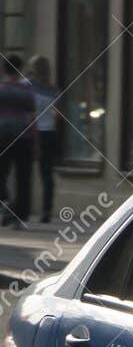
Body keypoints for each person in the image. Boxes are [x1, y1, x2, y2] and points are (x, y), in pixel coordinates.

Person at [0, 54, 35, 229]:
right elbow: (32, 115)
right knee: (23, 178)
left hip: (3, 136)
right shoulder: (26, 90)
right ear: (20, 70)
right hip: (24, 137)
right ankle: (21, 216)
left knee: (2, 173)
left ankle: (6, 202)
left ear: (4, 70)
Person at [26, 56, 60, 225]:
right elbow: (58, 113)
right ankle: (46, 209)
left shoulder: (29, 87)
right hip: (50, 133)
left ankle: (23, 208)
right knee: (47, 174)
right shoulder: (53, 89)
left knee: (25, 172)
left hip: (33, 132)